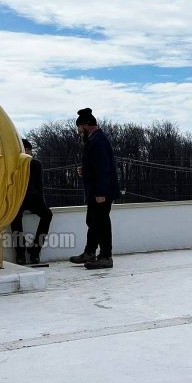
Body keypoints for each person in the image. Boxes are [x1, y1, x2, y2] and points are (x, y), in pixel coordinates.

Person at [69, 108, 120, 269]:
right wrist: (85, 170)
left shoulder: (98, 141)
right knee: (92, 221)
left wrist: (100, 192)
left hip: (101, 192)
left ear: (85, 125)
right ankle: (90, 252)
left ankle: (105, 256)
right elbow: (96, 166)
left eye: (79, 127)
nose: (79, 131)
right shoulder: (95, 140)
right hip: (96, 191)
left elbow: (103, 169)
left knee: (101, 223)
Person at [10, 138, 53, 265]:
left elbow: (39, 185)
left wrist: (42, 203)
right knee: (14, 218)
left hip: (33, 198)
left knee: (47, 214)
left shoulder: (35, 164)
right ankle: (20, 253)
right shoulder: (13, 164)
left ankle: (35, 250)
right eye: (26, 150)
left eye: (29, 150)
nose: (28, 153)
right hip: (18, 198)